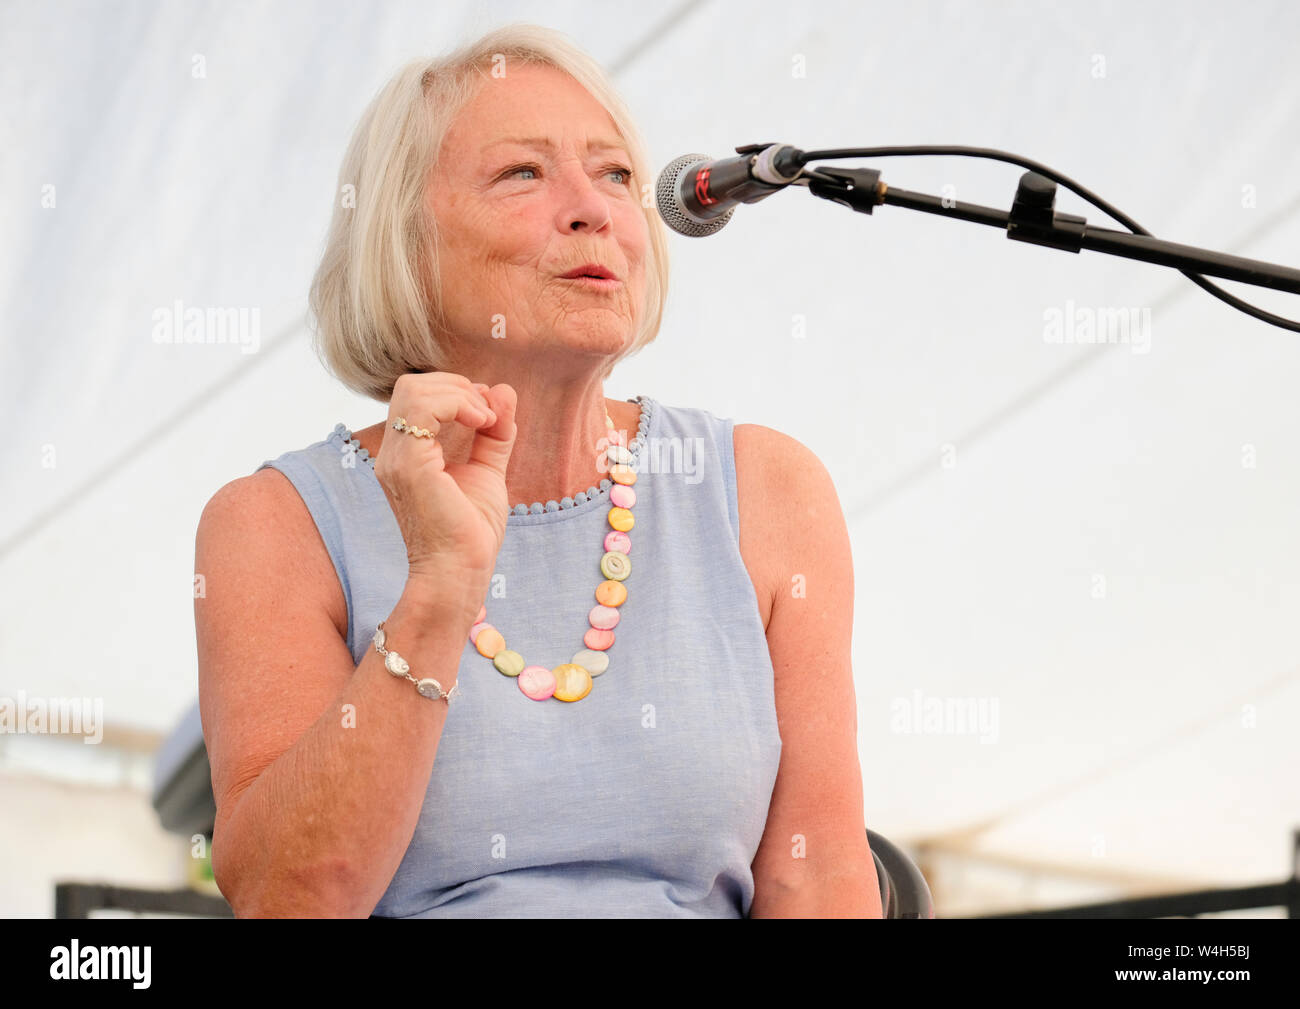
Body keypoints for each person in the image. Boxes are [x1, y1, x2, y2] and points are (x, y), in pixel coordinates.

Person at [193, 23, 881, 918]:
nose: (593, 208)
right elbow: (287, 897)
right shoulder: (274, 525)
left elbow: (819, 877)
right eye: (523, 172)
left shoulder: (770, 490)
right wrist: (442, 586)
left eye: (617, 175)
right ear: (404, 240)